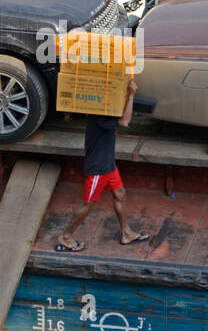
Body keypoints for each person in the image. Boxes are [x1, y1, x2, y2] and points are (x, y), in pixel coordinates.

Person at [56, 78, 150, 251]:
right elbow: (125, 121)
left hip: (108, 164)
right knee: (88, 204)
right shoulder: (101, 114)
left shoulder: (104, 108)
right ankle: (65, 236)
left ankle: (127, 233)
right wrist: (131, 95)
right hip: (98, 168)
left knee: (120, 194)